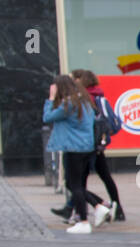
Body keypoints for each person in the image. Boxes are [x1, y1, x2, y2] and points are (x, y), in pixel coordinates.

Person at [43, 75, 110, 234]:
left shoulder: (69, 104)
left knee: (75, 185)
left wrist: (51, 98)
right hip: (86, 149)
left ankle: (85, 221)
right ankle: (98, 206)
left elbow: (47, 117)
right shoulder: (84, 102)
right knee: (75, 184)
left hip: (73, 149)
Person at [70, 69, 126, 221]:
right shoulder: (99, 96)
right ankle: (117, 208)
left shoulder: (86, 98)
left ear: (81, 80)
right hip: (98, 144)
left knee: (79, 179)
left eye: (74, 79)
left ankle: (84, 210)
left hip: (88, 145)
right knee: (104, 176)